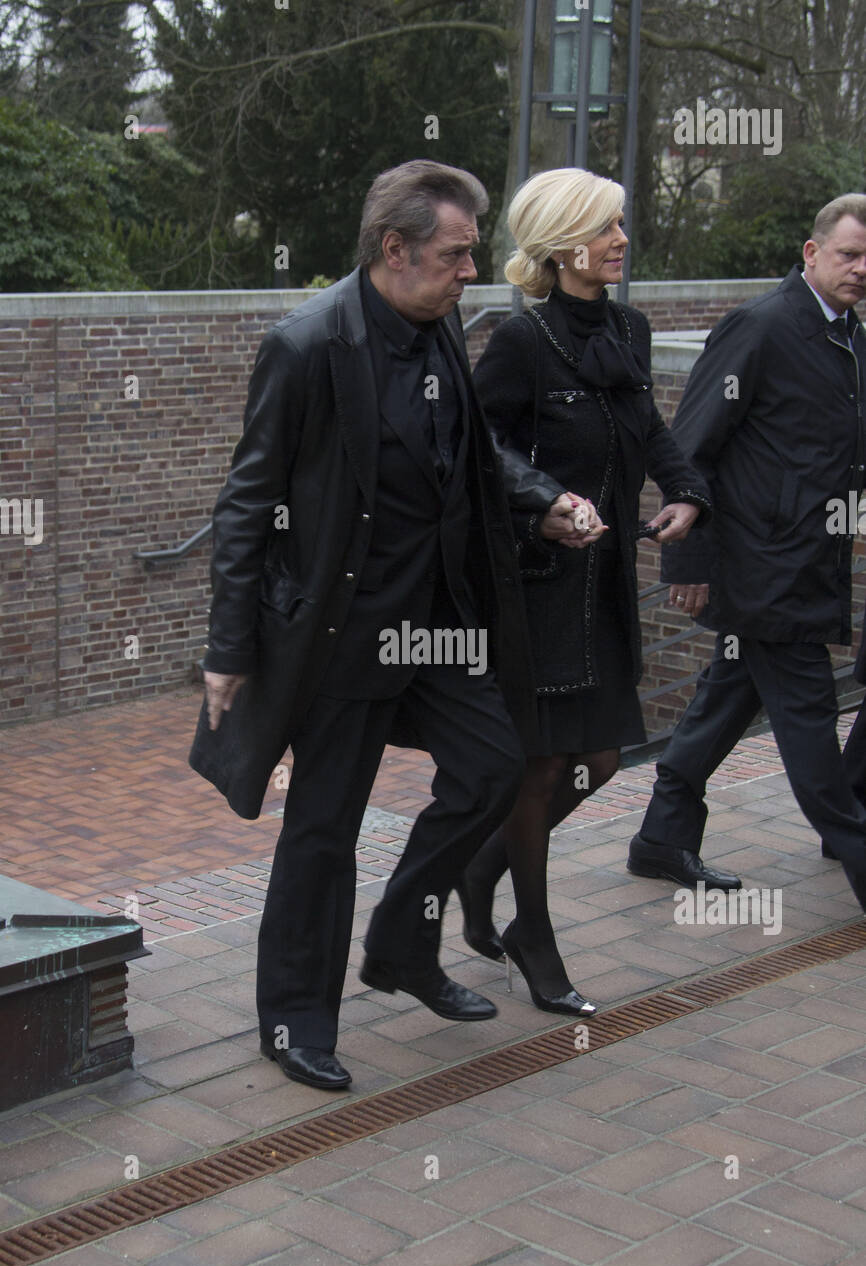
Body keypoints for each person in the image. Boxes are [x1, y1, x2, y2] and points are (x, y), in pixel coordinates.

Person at [188, 160, 589, 1091]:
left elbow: (473, 449)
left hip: (438, 625)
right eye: (454, 255)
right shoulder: (308, 346)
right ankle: (293, 1022)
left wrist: (541, 502)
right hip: (339, 635)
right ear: (393, 248)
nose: (469, 273)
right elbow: (248, 501)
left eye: (472, 256)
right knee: (323, 831)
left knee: (495, 765)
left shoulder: (438, 322)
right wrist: (227, 647)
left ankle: (402, 941)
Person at [458, 167, 711, 1015]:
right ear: (567, 240)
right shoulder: (524, 342)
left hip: (605, 585)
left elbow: (649, 428)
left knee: (600, 760)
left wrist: (684, 492)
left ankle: (484, 865)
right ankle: (533, 929)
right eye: (607, 227)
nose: (621, 241)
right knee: (541, 767)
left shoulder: (630, 330)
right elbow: (480, 447)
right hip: (538, 586)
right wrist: (548, 503)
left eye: (621, 227)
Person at [628, 194, 866, 910]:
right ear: (811, 252)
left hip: (810, 563)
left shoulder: (851, 338)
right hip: (763, 570)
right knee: (811, 720)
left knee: (730, 698)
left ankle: (661, 838)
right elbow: (688, 451)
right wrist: (687, 561)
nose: (861, 269)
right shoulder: (759, 329)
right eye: (850, 254)